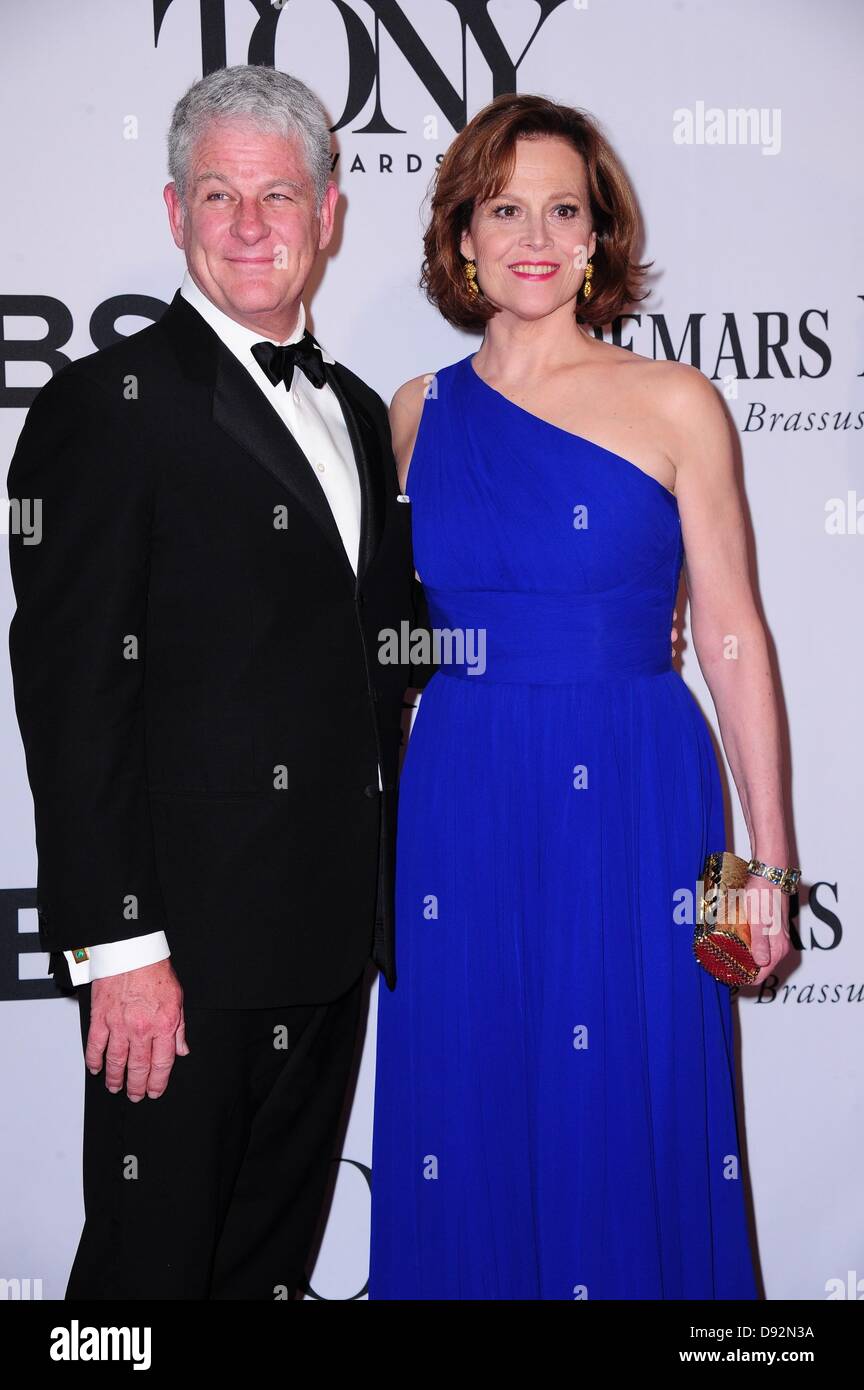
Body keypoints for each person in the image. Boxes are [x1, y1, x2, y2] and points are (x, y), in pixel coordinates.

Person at [369, 93, 799, 1300]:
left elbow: (733, 636)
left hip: (632, 783)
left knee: (634, 1087)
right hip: (459, 792)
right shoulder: (414, 413)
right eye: (504, 209)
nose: (536, 237)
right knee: (471, 1090)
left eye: (564, 210)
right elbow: (389, 644)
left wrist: (764, 867)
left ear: (600, 235)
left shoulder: (675, 403)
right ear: (462, 236)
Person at [7, 63, 423, 1300]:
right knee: (142, 1283)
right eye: (218, 194)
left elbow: (374, 646)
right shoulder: (105, 406)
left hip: (329, 940)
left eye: (278, 195)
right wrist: (122, 946)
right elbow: (71, 696)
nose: (250, 225)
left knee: (263, 1272)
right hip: (179, 955)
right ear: (174, 211)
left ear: (328, 213)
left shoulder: (360, 413)